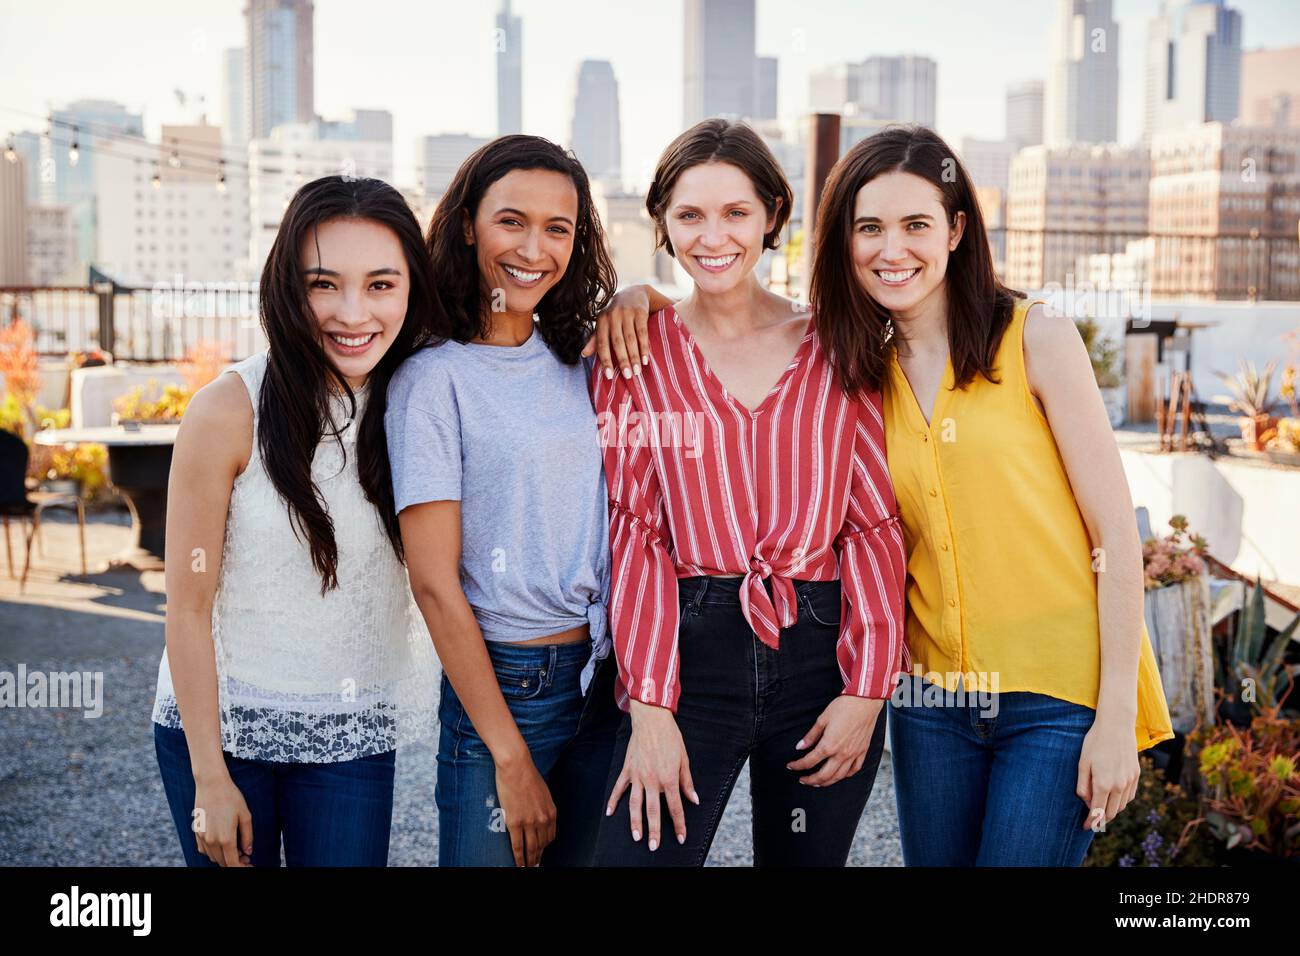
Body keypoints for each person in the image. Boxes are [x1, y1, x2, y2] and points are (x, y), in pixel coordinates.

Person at [807, 124, 1175, 865]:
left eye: (916, 225)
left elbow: (1115, 534)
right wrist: (639, 296)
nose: (892, 249)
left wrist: (1116, 717)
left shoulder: (1036, 337)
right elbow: (739, 326)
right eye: (869, 227)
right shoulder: (851, 372)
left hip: (1056, 699)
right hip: (932, 704)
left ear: (956, 231)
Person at [587, 119, 906, 867]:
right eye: (690, 214)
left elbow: (872, 525)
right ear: (662, 224)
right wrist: (651, 707)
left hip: (822, 655)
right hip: (690, 652)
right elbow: (636, 531)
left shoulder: (840, 345)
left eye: (736, 212)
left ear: (772, 215)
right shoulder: (634, 353)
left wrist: (867, 689)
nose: (713, 235)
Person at [152, 175, 441, 867]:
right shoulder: (227, 410)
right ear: (287, 286)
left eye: (380, 285)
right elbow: (186, 608)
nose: (351, 312)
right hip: (226, 730)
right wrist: (209, 777)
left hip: (349, 732)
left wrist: (635, 300)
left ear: (410, 290)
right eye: (322, 284)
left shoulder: (423, 396)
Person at [387, 135, 621, 867]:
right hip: (509, 687)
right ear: (466, 224)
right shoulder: (433, 380)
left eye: (559, 228)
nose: (535, 248)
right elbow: (433, 582)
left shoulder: (577, 357)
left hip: (608, 676)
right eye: (511, 221)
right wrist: (510, 757)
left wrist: (640, 298)